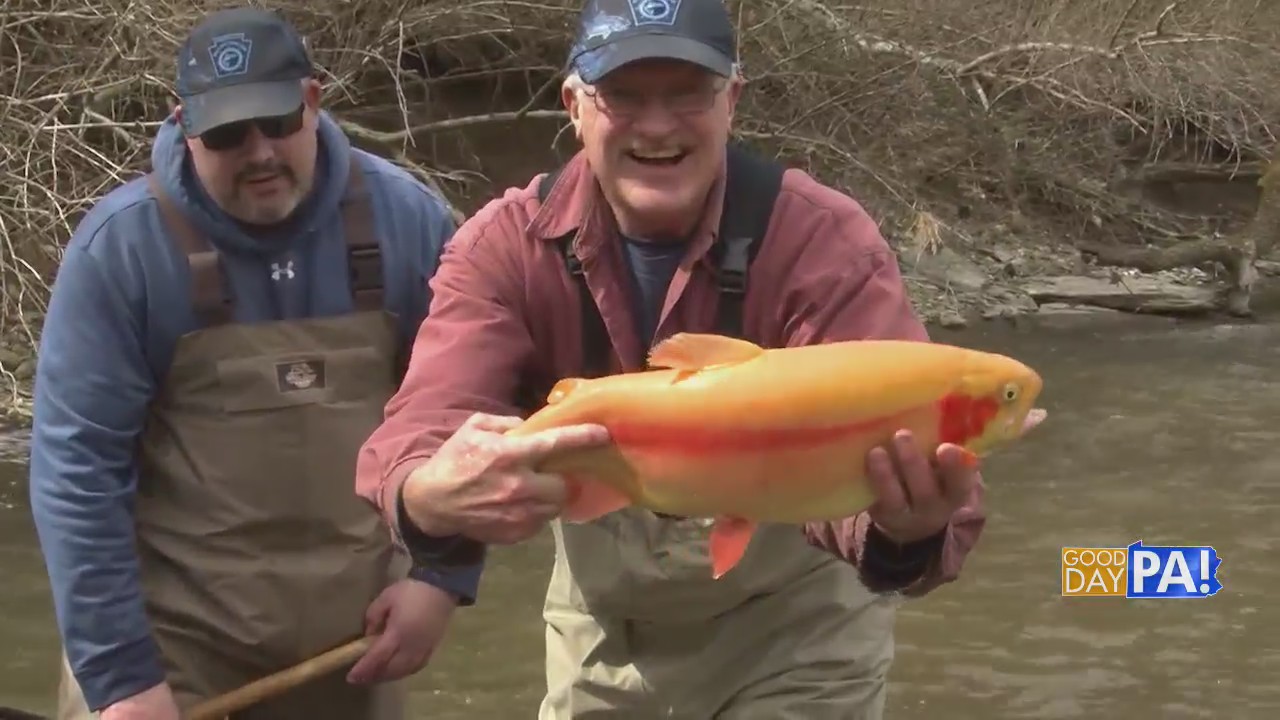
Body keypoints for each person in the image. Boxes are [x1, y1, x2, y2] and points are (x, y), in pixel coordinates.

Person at [354, 0, 987, 717]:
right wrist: (426, 496)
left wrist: (904, 530)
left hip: (801, 635)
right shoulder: (504, 248)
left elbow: (916, 486)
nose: (657, 126)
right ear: (574, 106)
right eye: (623, 95)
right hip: (605, 633)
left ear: (731, 101)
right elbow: (427, 418)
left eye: (688, 92)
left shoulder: (822, 241)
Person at [28, 7, 468, 720]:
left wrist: (441, 579)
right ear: (185, 127)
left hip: (355, 642)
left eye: (277, 122)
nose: (259, 152)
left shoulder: (409, 222)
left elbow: (464, 414)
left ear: (312, 101)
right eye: (228, 134)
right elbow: (76, 475)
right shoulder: (120, 252)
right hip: (172, 655)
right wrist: (121, 680)